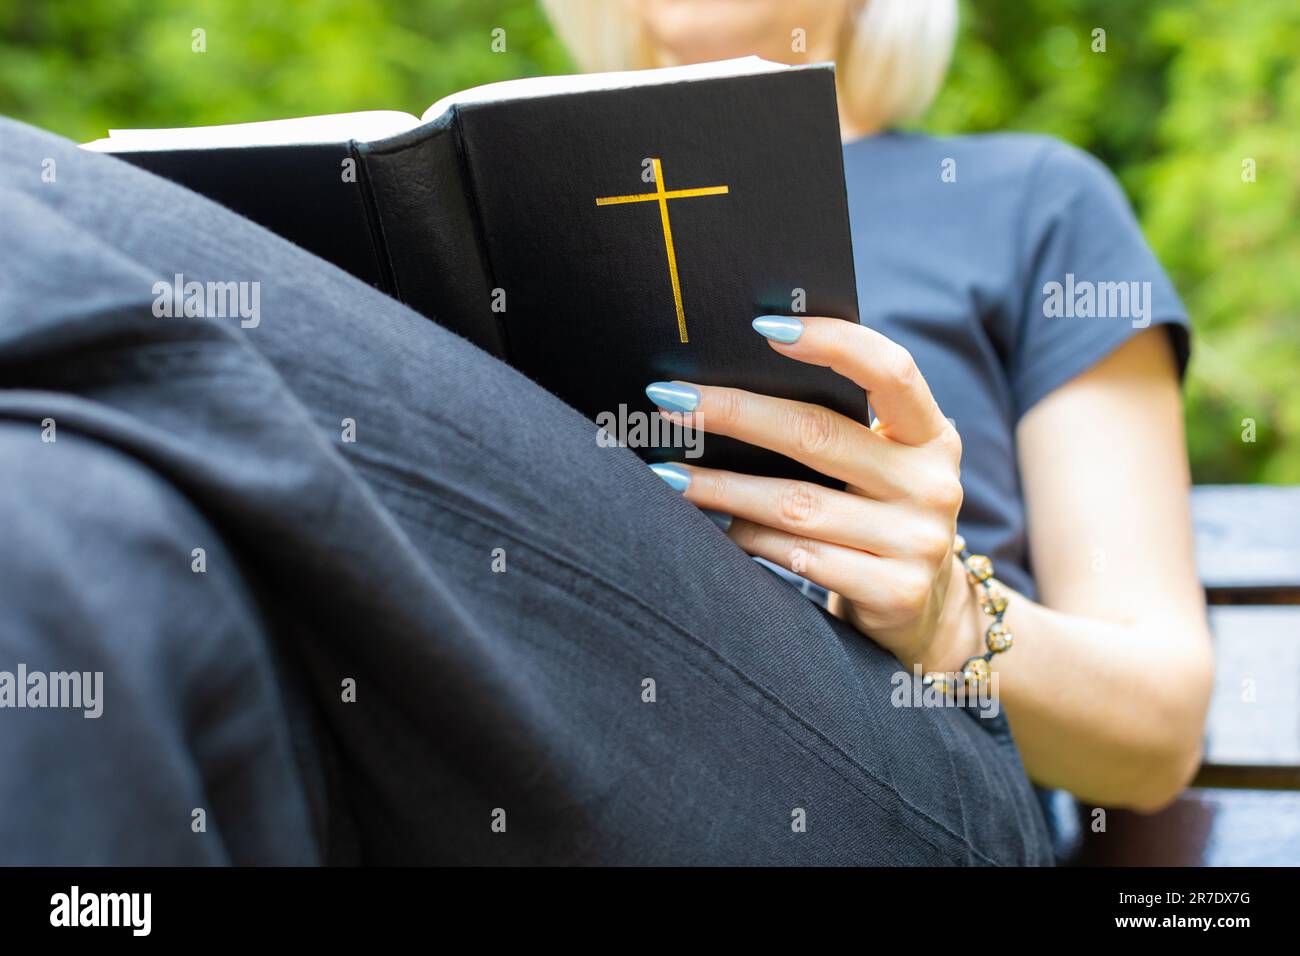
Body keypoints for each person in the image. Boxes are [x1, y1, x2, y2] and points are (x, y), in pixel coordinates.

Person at [542, 0, 1213, 812]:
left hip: (890, 799)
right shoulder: (510, 209)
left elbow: (1158, 735)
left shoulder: (1037, 204)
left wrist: (942, 619)